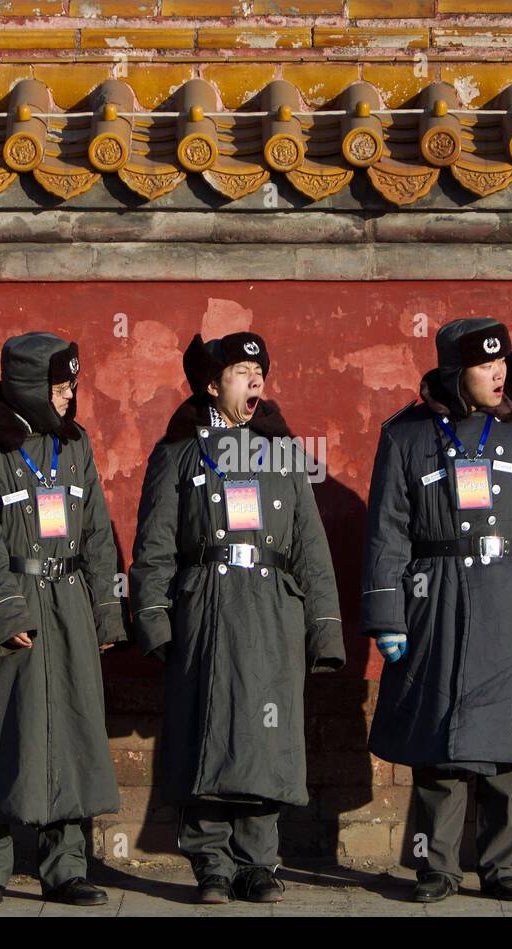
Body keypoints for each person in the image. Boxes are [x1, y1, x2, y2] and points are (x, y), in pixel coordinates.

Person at [361, 317, 512, 902]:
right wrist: (386, 617)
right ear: (457, 373)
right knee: (440, 743)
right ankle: (437, 867)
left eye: (502, 361)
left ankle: (503, 866)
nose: (499, 373)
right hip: (435, 600)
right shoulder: (405, 436)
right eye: (486, 366)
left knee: (511, 743)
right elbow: (387, 531)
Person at [130, 331, 345, 904]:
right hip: (205, 609)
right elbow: (153, 545)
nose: (255, 381)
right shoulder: (177, 452)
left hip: (274, 610)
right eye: (241, 371)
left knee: (265, 738)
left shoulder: (282, 453)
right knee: (207, 731)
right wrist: (152, 617)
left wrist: (324, 628)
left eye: (260, 372)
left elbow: (311, 547)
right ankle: (211, 864)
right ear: (211, 384)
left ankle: (258, 862)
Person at [0, 331, 127, 910]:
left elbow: (95, 531)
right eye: (60, 387)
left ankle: (65, 867)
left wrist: (104, 615)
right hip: (8, 604)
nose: (70, 397)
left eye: (73, 385)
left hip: (67, 603)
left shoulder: (75, 445)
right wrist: (0, 612)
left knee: (69, 731)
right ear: (28, 386)